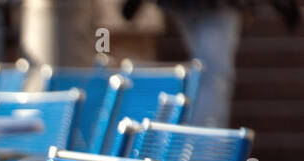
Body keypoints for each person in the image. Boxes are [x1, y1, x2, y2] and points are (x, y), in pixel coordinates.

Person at [122, 0, 301, 128]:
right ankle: (203, 153)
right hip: (214, 6)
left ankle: (197, 150)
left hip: (191, 6)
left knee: (206, 74)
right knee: (212, 78)